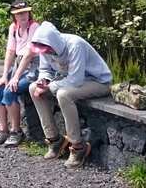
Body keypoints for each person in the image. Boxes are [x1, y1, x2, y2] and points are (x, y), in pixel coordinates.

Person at [28, 21, 112, 169]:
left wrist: (49, 86)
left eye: (47, 49)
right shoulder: (45, 48)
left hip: (98, 82)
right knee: (32, 87)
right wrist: (43, 81)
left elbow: (76, 80)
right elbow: (44, 70)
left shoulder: (75, 45)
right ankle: (54, 140)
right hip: (70, 80)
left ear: (53, 43)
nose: (45, 52)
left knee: (63, 95)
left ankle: (78, 146)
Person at [0, 0, 39, 147]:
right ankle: (2, 130)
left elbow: (29, 54)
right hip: (19, 65)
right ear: (14, 16)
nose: (23, 16)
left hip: (33, 68)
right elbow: (10, 51)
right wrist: (5, 75)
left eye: (24, 12)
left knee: (10, 91)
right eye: (18, 13)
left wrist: (15, 77)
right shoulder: (13, 28)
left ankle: (16, 131)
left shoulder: (35, 27)